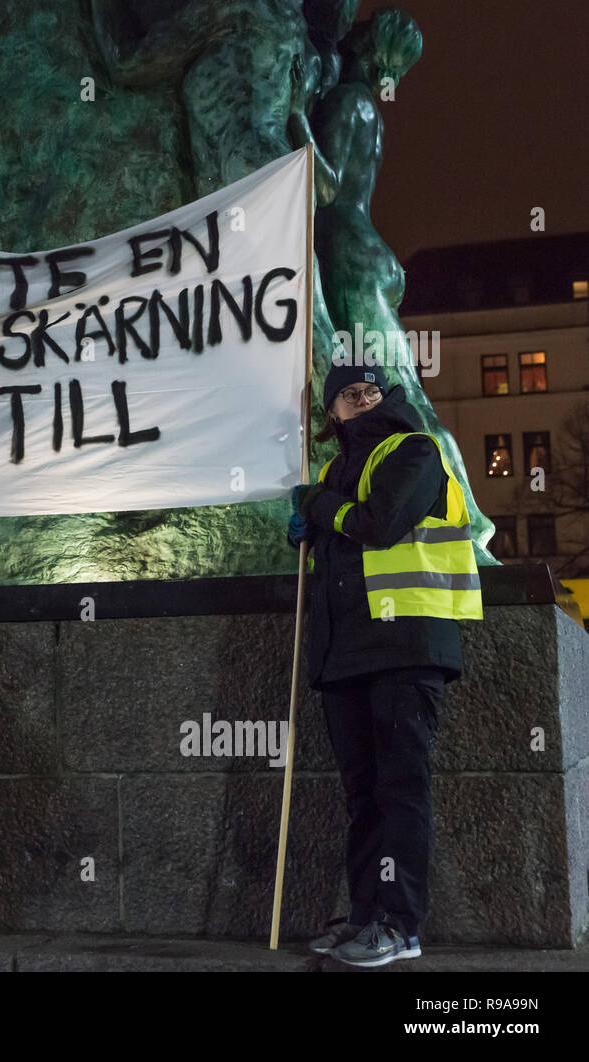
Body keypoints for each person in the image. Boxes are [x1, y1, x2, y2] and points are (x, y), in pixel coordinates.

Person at [288, 364, 482, 967]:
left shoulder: (414, 449)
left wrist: (322, 508)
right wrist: (307, 530)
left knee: (400, 787)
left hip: (406, 643)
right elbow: (342, 543)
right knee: (363, 794)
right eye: (350, 394)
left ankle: (401, 925)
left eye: (372, 391)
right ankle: (366, 915)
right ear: (331, 414)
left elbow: (379, 525)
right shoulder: (330, 469)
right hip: (345, 651)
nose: (364, 399)